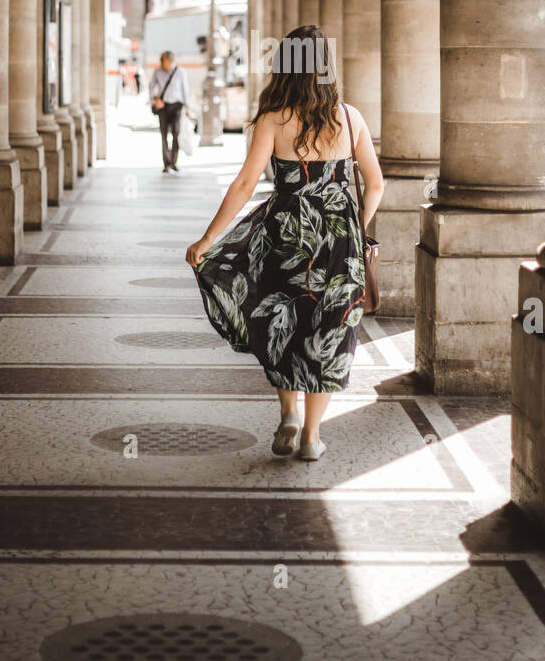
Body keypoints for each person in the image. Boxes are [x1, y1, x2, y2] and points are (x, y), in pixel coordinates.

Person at [186, 24, 384, 461]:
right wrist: (353, 225)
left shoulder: (273, 119)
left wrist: (208, 238)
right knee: (329, 334)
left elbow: (243, 184)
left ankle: (288, 412)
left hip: (284, 239)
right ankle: (312, 436)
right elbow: (375, 184)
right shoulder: (350, 118)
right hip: (339, 246)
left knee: (283, 322)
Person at [149, 49, 190, 173]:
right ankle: (166, 163)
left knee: (176, 133)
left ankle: (174, 162)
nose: (162, 63)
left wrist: (187, 106)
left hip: (177, 106)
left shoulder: (180, 72)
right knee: (164, 134)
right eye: (161, 61)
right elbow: (151, 87)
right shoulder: (157, 72)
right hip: (163, 106)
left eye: (164, 61)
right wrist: (155, 99)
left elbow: (185, 89)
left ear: (170, 61)